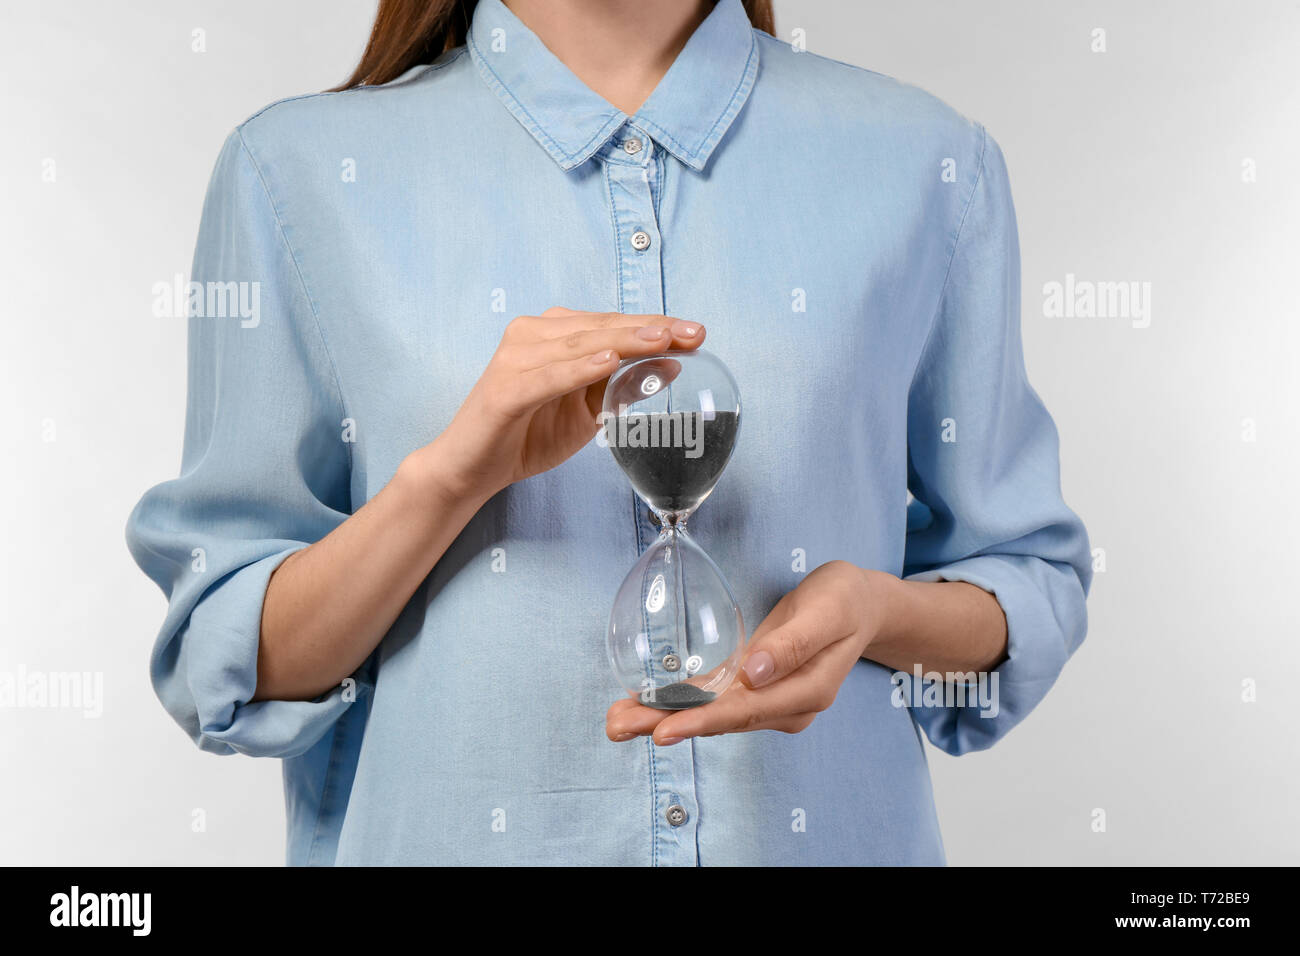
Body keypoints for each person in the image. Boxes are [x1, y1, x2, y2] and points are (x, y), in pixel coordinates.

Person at [126, 0, 1092, 865]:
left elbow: (1029, 576)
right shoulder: (296, 174)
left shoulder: (923, 158)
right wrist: (449, 481)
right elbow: (228, 655)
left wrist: (883, 613)